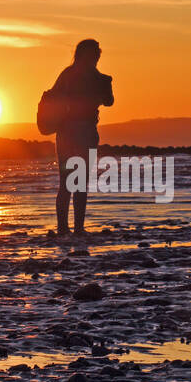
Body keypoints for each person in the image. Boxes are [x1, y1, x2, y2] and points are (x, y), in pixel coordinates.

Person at [49, 39, 113, 238]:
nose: (96, 58)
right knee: (74, 182)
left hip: (73, 133)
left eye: (98, 55)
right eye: (95, 54)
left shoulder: (71, 75)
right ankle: (71, 228)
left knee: (72, 182)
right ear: (85, 55)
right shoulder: (90, 77)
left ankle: (69, 228)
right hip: (78, 133)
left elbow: (109, 101)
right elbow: (109, 101)